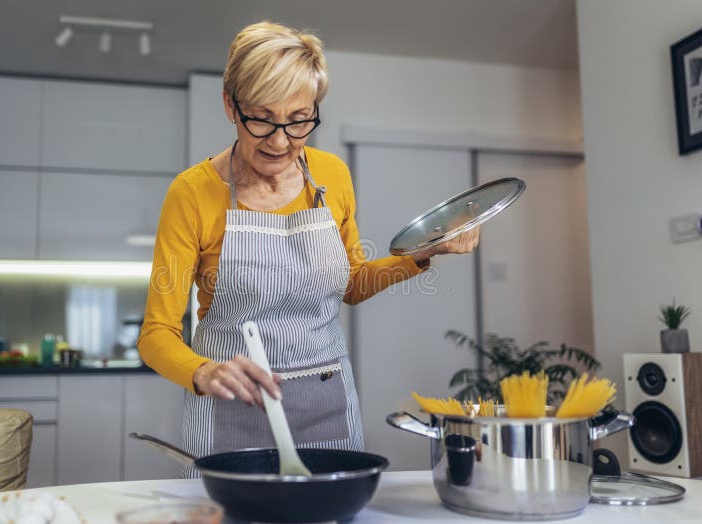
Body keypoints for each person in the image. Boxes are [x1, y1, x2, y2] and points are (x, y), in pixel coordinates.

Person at [138, 21, 479, 474]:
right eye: (261, 119)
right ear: (230, 106)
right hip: (232, 404)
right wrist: (203, 372)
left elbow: (353, 284)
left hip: (326, 401)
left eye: (299, 121)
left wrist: (421, 254)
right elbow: (156, 333)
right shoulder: (193, 193)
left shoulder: (331, 175)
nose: (280, 141)